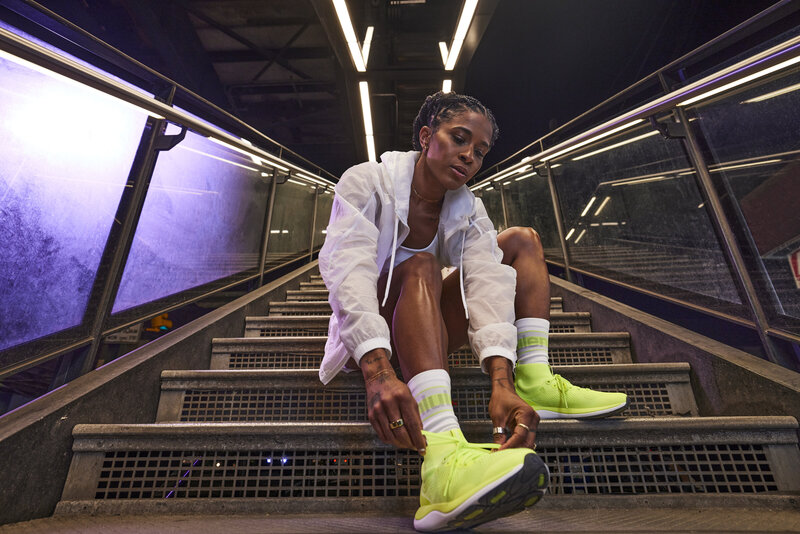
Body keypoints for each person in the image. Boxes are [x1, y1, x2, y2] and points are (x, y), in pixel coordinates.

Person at [318, 91, 627, 532]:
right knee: (421, 264)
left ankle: (534, 379)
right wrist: (378, 372)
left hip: (423, 329)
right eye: (459, 139)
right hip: (370, 344)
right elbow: (346, 269)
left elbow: (487, 284)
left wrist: (501, 380)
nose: (469, 156)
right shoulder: (368, 181)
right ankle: (443, 455)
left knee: (521, 241)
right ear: (427, 137)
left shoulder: (468, 208)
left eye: (480, 151)